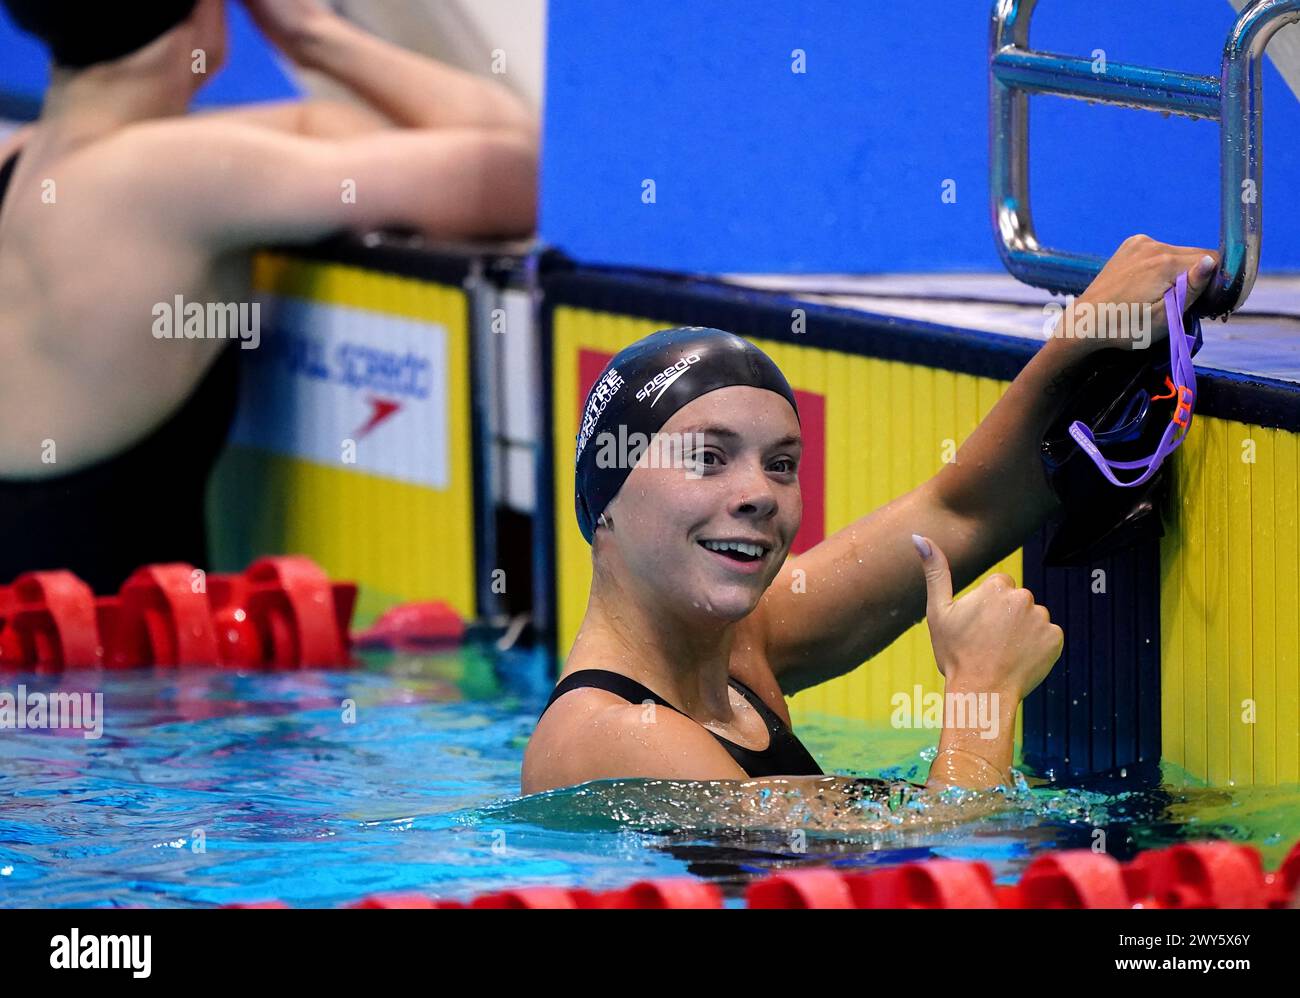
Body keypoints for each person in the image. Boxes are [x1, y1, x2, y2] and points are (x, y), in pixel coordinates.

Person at [522, 238, 1221, 796]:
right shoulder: (616, 735)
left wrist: (1086, 330)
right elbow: (927, 883)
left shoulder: (741, 644)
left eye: (782, 463)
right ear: (605, 500)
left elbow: (959, 509)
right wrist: (982, 690)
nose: (758, 493)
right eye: (708, 458)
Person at [0, 0, 537, 593]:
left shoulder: (25, 160)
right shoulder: (179, 178)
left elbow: (323, 128)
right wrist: (315, 35)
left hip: (33, 647)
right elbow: (524, 168)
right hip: (111, 665)